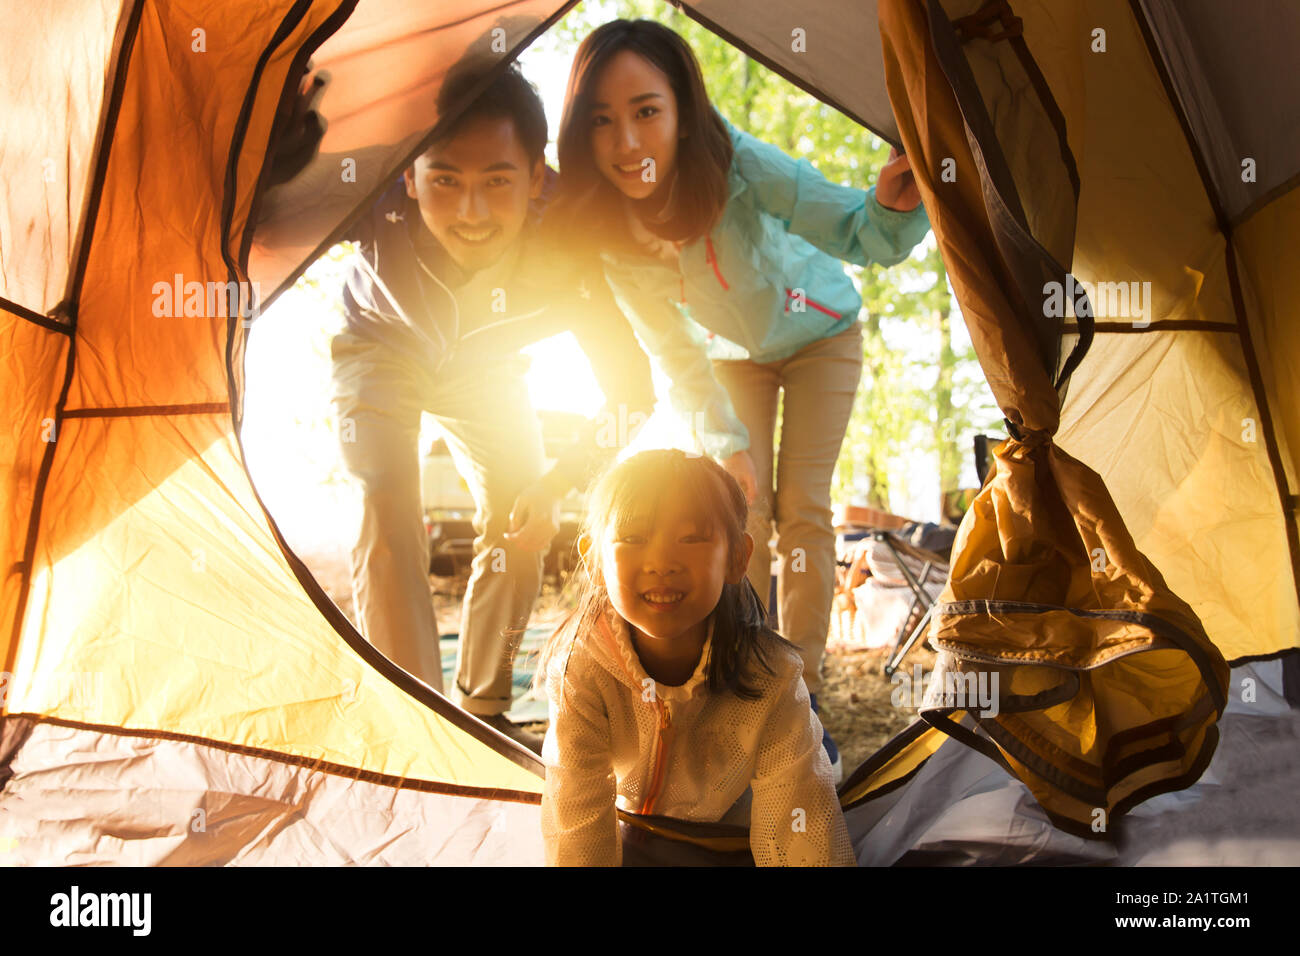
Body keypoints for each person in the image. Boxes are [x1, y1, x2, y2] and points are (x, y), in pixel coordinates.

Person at [550, 19, 929, 779]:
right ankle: (747, 678)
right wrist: (725, 440)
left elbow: (860, 234)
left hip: (821, 334)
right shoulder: (612, 235)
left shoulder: (741, 166)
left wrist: (892, 206)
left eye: (646, 111)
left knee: (803, 507)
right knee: (739, 508)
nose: (628, 142)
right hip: (735, 361)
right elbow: (672, 353)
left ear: (682, 110)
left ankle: (804, 693)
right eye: (603, 120)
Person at [330, 64, 655, 751]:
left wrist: (557, 482)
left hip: (487, 371)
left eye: (497, 183)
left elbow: (632, 391)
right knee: (386, 501)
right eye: (445, 181)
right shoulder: (367, 196)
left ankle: (482, 709)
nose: (471, 213)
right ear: (410, 176)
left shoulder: (569, 241)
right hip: (382, 347)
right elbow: (258, 212)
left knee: (520, 519)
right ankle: (415, 728)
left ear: (537, 180)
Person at [539, 449, 854, 866]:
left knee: (823, 779)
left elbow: (805, 837)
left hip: (731, 831)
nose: (662, 563)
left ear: (738, 557)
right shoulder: (580, 669)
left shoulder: (772, 678)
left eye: (691, 538)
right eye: (633, 538)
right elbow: (577, 824)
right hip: (631, 825)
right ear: (595, 560)